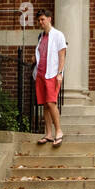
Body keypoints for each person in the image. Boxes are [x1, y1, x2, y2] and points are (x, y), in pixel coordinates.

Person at [33, 9, 67, 147]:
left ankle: (58, 131)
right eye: (39, 20)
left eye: (43, 19)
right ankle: (48, 134)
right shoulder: (41, 37)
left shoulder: (58, 35)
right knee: (45, 105)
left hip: (52, 74)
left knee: (51, 103)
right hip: (41, 74)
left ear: (49, 19)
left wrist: (59, 73)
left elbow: (62, 55)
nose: (41, 22)